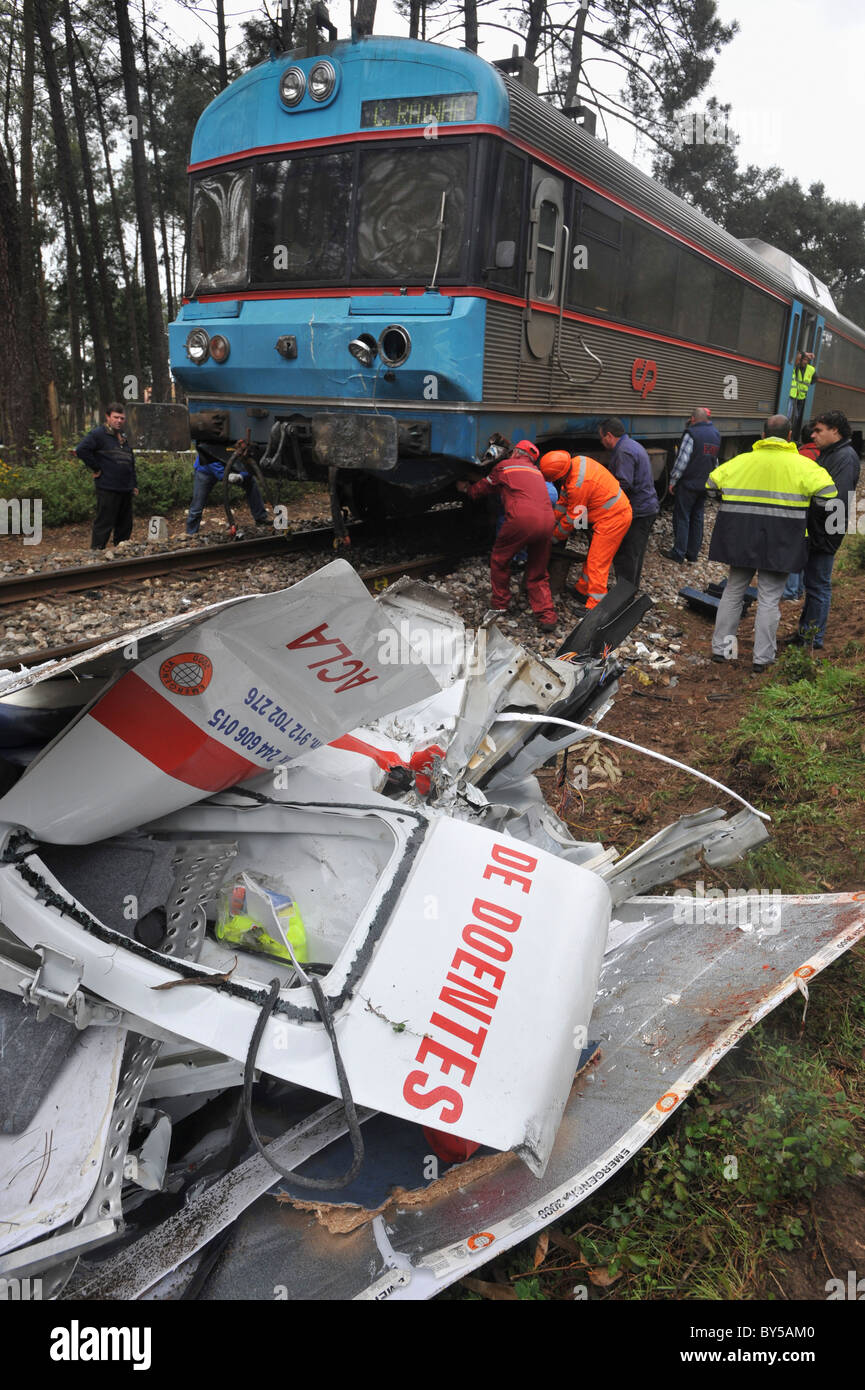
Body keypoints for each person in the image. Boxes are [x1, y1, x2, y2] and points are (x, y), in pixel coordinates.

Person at [707, 415, 837, 673]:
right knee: (768, 599)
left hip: (741, 537)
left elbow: (711, 485)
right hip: (782, 540)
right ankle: (762, 659)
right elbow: (829, 494)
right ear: (789, 436)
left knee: (733, 591)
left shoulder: (741, 461)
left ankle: (721, 651)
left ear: (763, 435)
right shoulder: (804, 465)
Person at [456, 440, 557, 631]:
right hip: (547, 521)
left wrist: (466, 489)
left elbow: (483, 488)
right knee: (538, 570)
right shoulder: (537, 473)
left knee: (500, 560)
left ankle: (500, 604)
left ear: (516, 453)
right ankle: (547, 616)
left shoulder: (505, 466)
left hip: (522, 520)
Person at [789, 410, 861, 650]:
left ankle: (812, 639)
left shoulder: (845, 457)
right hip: (820, 528)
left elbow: (835, 498)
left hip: (826, 530)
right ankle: (804, 634)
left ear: (835, 431)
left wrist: (810, 506)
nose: (813, 434)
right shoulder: (831, 453)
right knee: (813, 584)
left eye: (819, 430)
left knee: (819, 585)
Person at [538, 449, 632, 609]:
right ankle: (582, 590)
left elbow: (572, 519)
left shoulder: (578, 485)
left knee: (597, 562)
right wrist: (551, 520)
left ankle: (595, 606)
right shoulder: (575, 464)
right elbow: (562, 503)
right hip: (610, 514)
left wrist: (553, 537)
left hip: (614, 518)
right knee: (594, 557)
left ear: (559, 476)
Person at [597, 418, 659, 588]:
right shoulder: (632, 445)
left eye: (601, 438)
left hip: (638, 510)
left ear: (609, 436)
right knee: (634, 554)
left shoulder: (623, 451)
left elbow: (623, 483)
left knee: (626, 554)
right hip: (646, 508)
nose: (602, 442)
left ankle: (624, 596)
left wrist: (602, 504)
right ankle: (628, 591)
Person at [662, 407, 721, 563]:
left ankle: (679, 553)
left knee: (682, 518)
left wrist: (673, 480)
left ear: (693, 419)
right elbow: (715, 461)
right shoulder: (715, 434)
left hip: (688, 484)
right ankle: (692, 554)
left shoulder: (692, 433)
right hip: (704, 485)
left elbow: (682, 460)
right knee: (697, 518)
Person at [76, 403, 139, 550]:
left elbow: (130, 461)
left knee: (125, 524)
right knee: (104, 522)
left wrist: (134, 484)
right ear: (108, 417)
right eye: (116, 417)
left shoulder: (124, 437)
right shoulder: (99, 434)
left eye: (122, 418)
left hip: (125, 488)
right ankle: (97, 552)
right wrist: (96, 467)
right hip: (107, 487)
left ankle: (122, 552)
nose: (119, 421)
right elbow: (81, 450)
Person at [184, 450, 269, 537]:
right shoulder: (212, 445)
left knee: (250, 483)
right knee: (197, 504)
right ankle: (191, 534)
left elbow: (250, 466)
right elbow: (211, 460)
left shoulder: (242, 444)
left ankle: (261, 518)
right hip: (206, 470)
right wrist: (225, 475)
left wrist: (242, 476)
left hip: (230, 467)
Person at [781, 424, 820, 600]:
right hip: (817, 513)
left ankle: (791, 592)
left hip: (799, 511)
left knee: (794, 550)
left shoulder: (798, 456)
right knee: (807, 552)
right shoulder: (825, 456)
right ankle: (800, 590)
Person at [787, 351, 816, 439]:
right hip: (793, 395)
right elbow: (795, 357)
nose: (803, 362)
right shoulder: (796, 367)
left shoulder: (811, 369)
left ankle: (790, 434)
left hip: (800, 397)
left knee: (795, 417)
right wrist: (805, 353)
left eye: (806, 360)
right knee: (789, 416)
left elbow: (814, 380)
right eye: (802, 359)